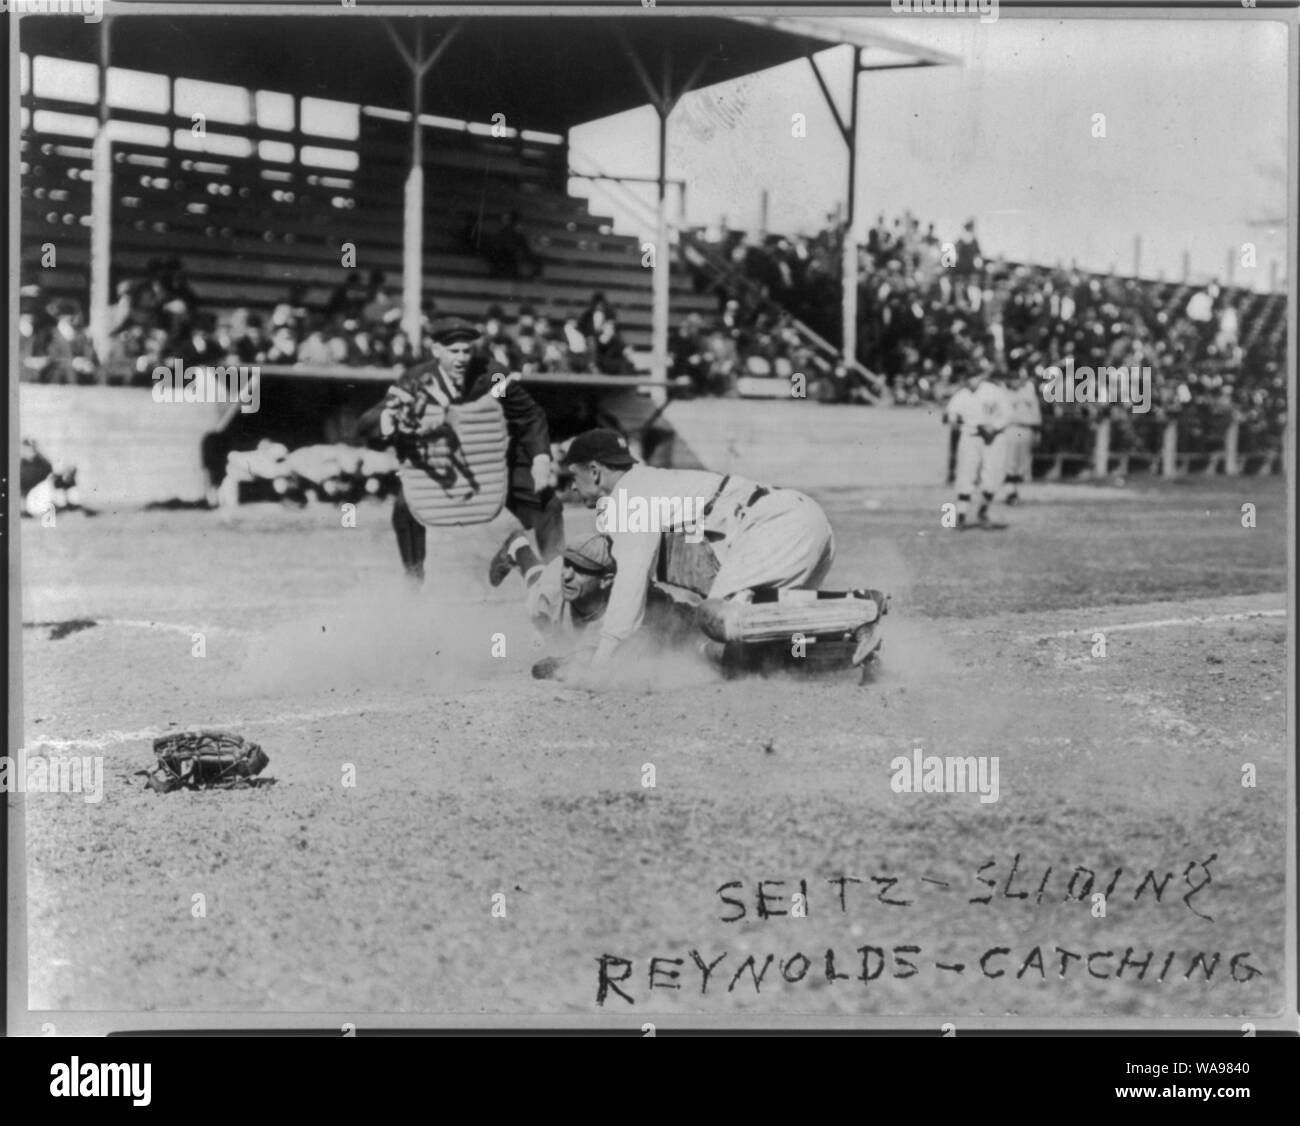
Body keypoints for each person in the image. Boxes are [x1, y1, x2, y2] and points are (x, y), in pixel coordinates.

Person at [560, 428, 835, 668]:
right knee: (772, 640)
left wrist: (603, 659)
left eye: (573, 475)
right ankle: (846, 633)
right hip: (797, 520)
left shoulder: (629, 497)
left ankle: (855, 608)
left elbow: (631, 579)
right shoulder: (646, 483)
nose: (571, 485)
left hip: (774, 525)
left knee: (715, 621)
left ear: (595, 471)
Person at [357, 316, 563, 585]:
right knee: (405, 508)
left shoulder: (492, 375)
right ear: (436, 351)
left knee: (549, 504)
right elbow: (368, 421)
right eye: (454, 351)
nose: (462, 358)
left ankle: (556, 578)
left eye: (467, 351)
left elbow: (530, 414)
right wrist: (388, 418)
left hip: (493, 461)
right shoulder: (416, 380)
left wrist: (540, 457)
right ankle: (413, 580)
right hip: (443, 465)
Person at [946, 367, 1013, 530]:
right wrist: (955, 420)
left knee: (993, 476)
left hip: (994, 437)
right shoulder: (961, 396)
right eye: (967, 377)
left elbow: (1009, 414)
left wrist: (995, 426)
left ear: (981, 376)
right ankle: (961, 516)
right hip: (971, 436)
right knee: (965, 473)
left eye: (974, 376)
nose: (971, 380)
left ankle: (983, 512)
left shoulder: (994, 391)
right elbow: (951, 416)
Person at [1002, 362, 1043, 505]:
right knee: (1009, 461)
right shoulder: (1004, 393)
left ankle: (1014, 490)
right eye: (1011, 379)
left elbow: (1036, 413)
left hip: (1026, 428)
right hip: (1011, 428)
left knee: (1022, 462)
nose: (1015, 381)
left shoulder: (1028, 392)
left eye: (1017, 378)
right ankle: (1009, 491)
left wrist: (1037, 431)